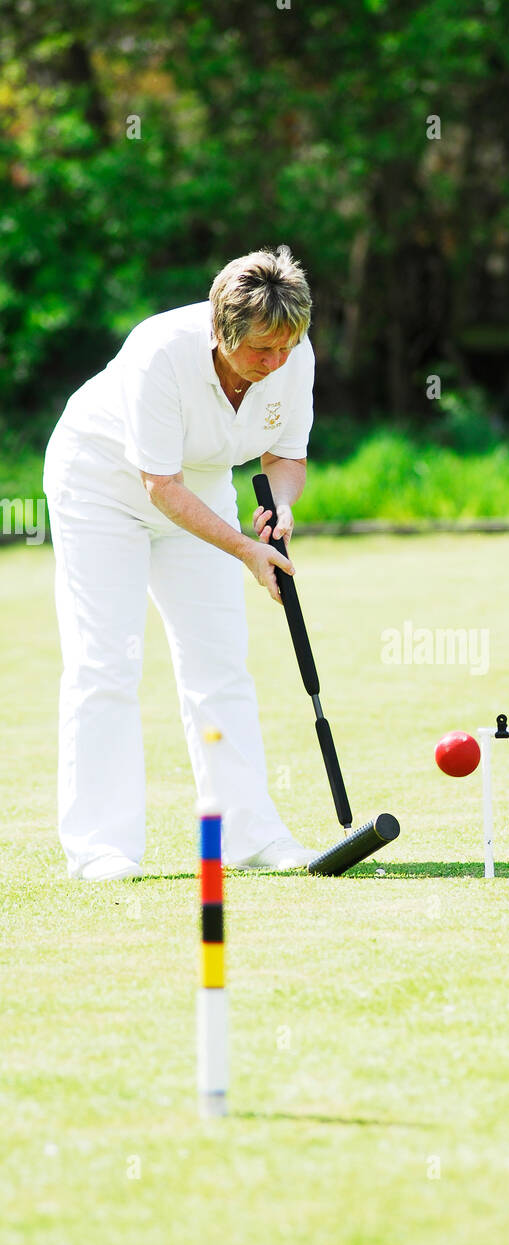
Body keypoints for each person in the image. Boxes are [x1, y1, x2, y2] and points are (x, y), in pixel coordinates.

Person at [43, 245, 318, 881]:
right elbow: (160, 487)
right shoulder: (158, 352)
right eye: (261, 351)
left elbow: (286, 455)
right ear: (222, 331)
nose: (275, 362)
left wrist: (278, 507)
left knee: (219, 660)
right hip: (102, 485)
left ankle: (249, 834)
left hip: (201, 485)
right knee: (105, 658)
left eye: (285, 348)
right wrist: (248, 550)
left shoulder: (293, 354)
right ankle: (100, 847)